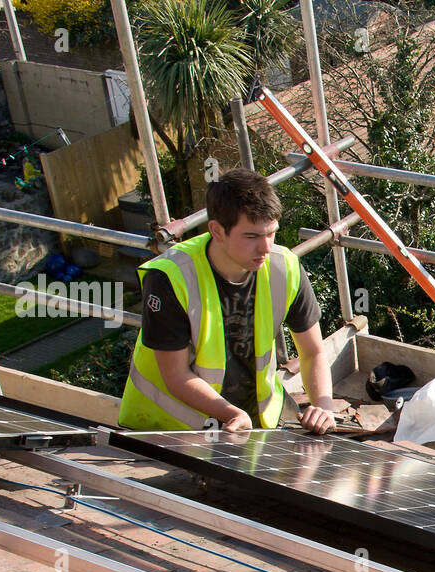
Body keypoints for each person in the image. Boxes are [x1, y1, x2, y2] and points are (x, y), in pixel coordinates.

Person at [119, 168, 335, 435]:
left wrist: (324, 407)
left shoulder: (285, 267)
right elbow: (175, 376)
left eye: (271, 233)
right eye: (252, 236)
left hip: (252, 421)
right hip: (168, 429)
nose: (266, 248)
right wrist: (230, 413)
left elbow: (313, 351)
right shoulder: (170, 276)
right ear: (217, 231)